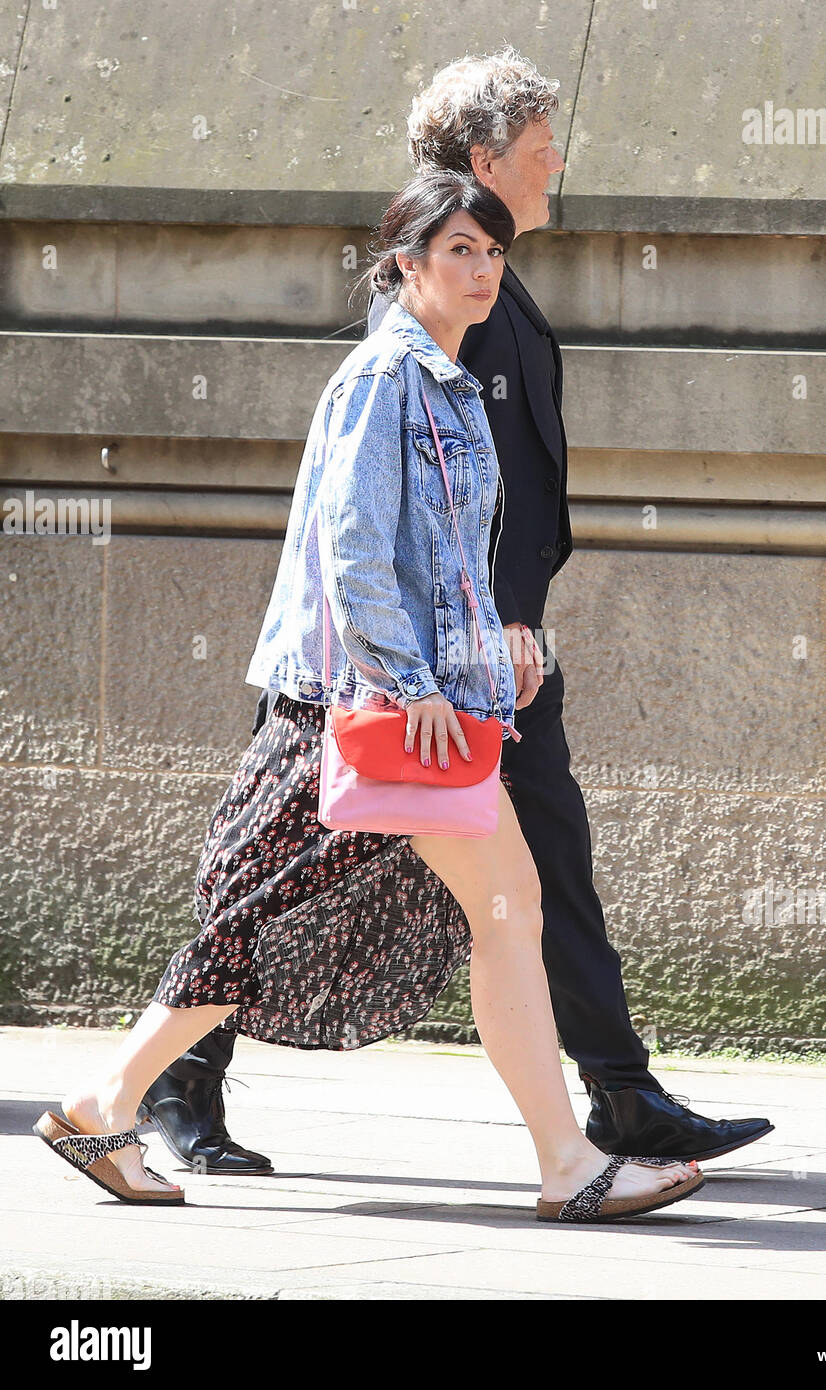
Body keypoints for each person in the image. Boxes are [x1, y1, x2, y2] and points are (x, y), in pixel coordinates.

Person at [141, 46, 772, 1177]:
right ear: (477, 171)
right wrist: (435, 664)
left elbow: (478, 499)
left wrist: (497, 633)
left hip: (473, 655)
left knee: (526, 888)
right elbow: (371, 535)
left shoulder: (482, 300)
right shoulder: (420, 342)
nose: (557, 165)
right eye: (539, 151)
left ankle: (603, 1116)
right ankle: (147, 1090)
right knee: (277, 885)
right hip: (394, 670)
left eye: (486, 250)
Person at [35, 170, 705, 1225]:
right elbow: (354, 553)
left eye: (494, 255)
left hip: (414, 705)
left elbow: (442, 558)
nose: (483, 272)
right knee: (267, 925)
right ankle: (101, 1101)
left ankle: (569, 1164)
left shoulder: (440, 378)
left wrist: (494, 650)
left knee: (506, 906)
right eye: (459, 254)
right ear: (405, 263)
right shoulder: (384, 377)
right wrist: (408, 678)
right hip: (352, 710)